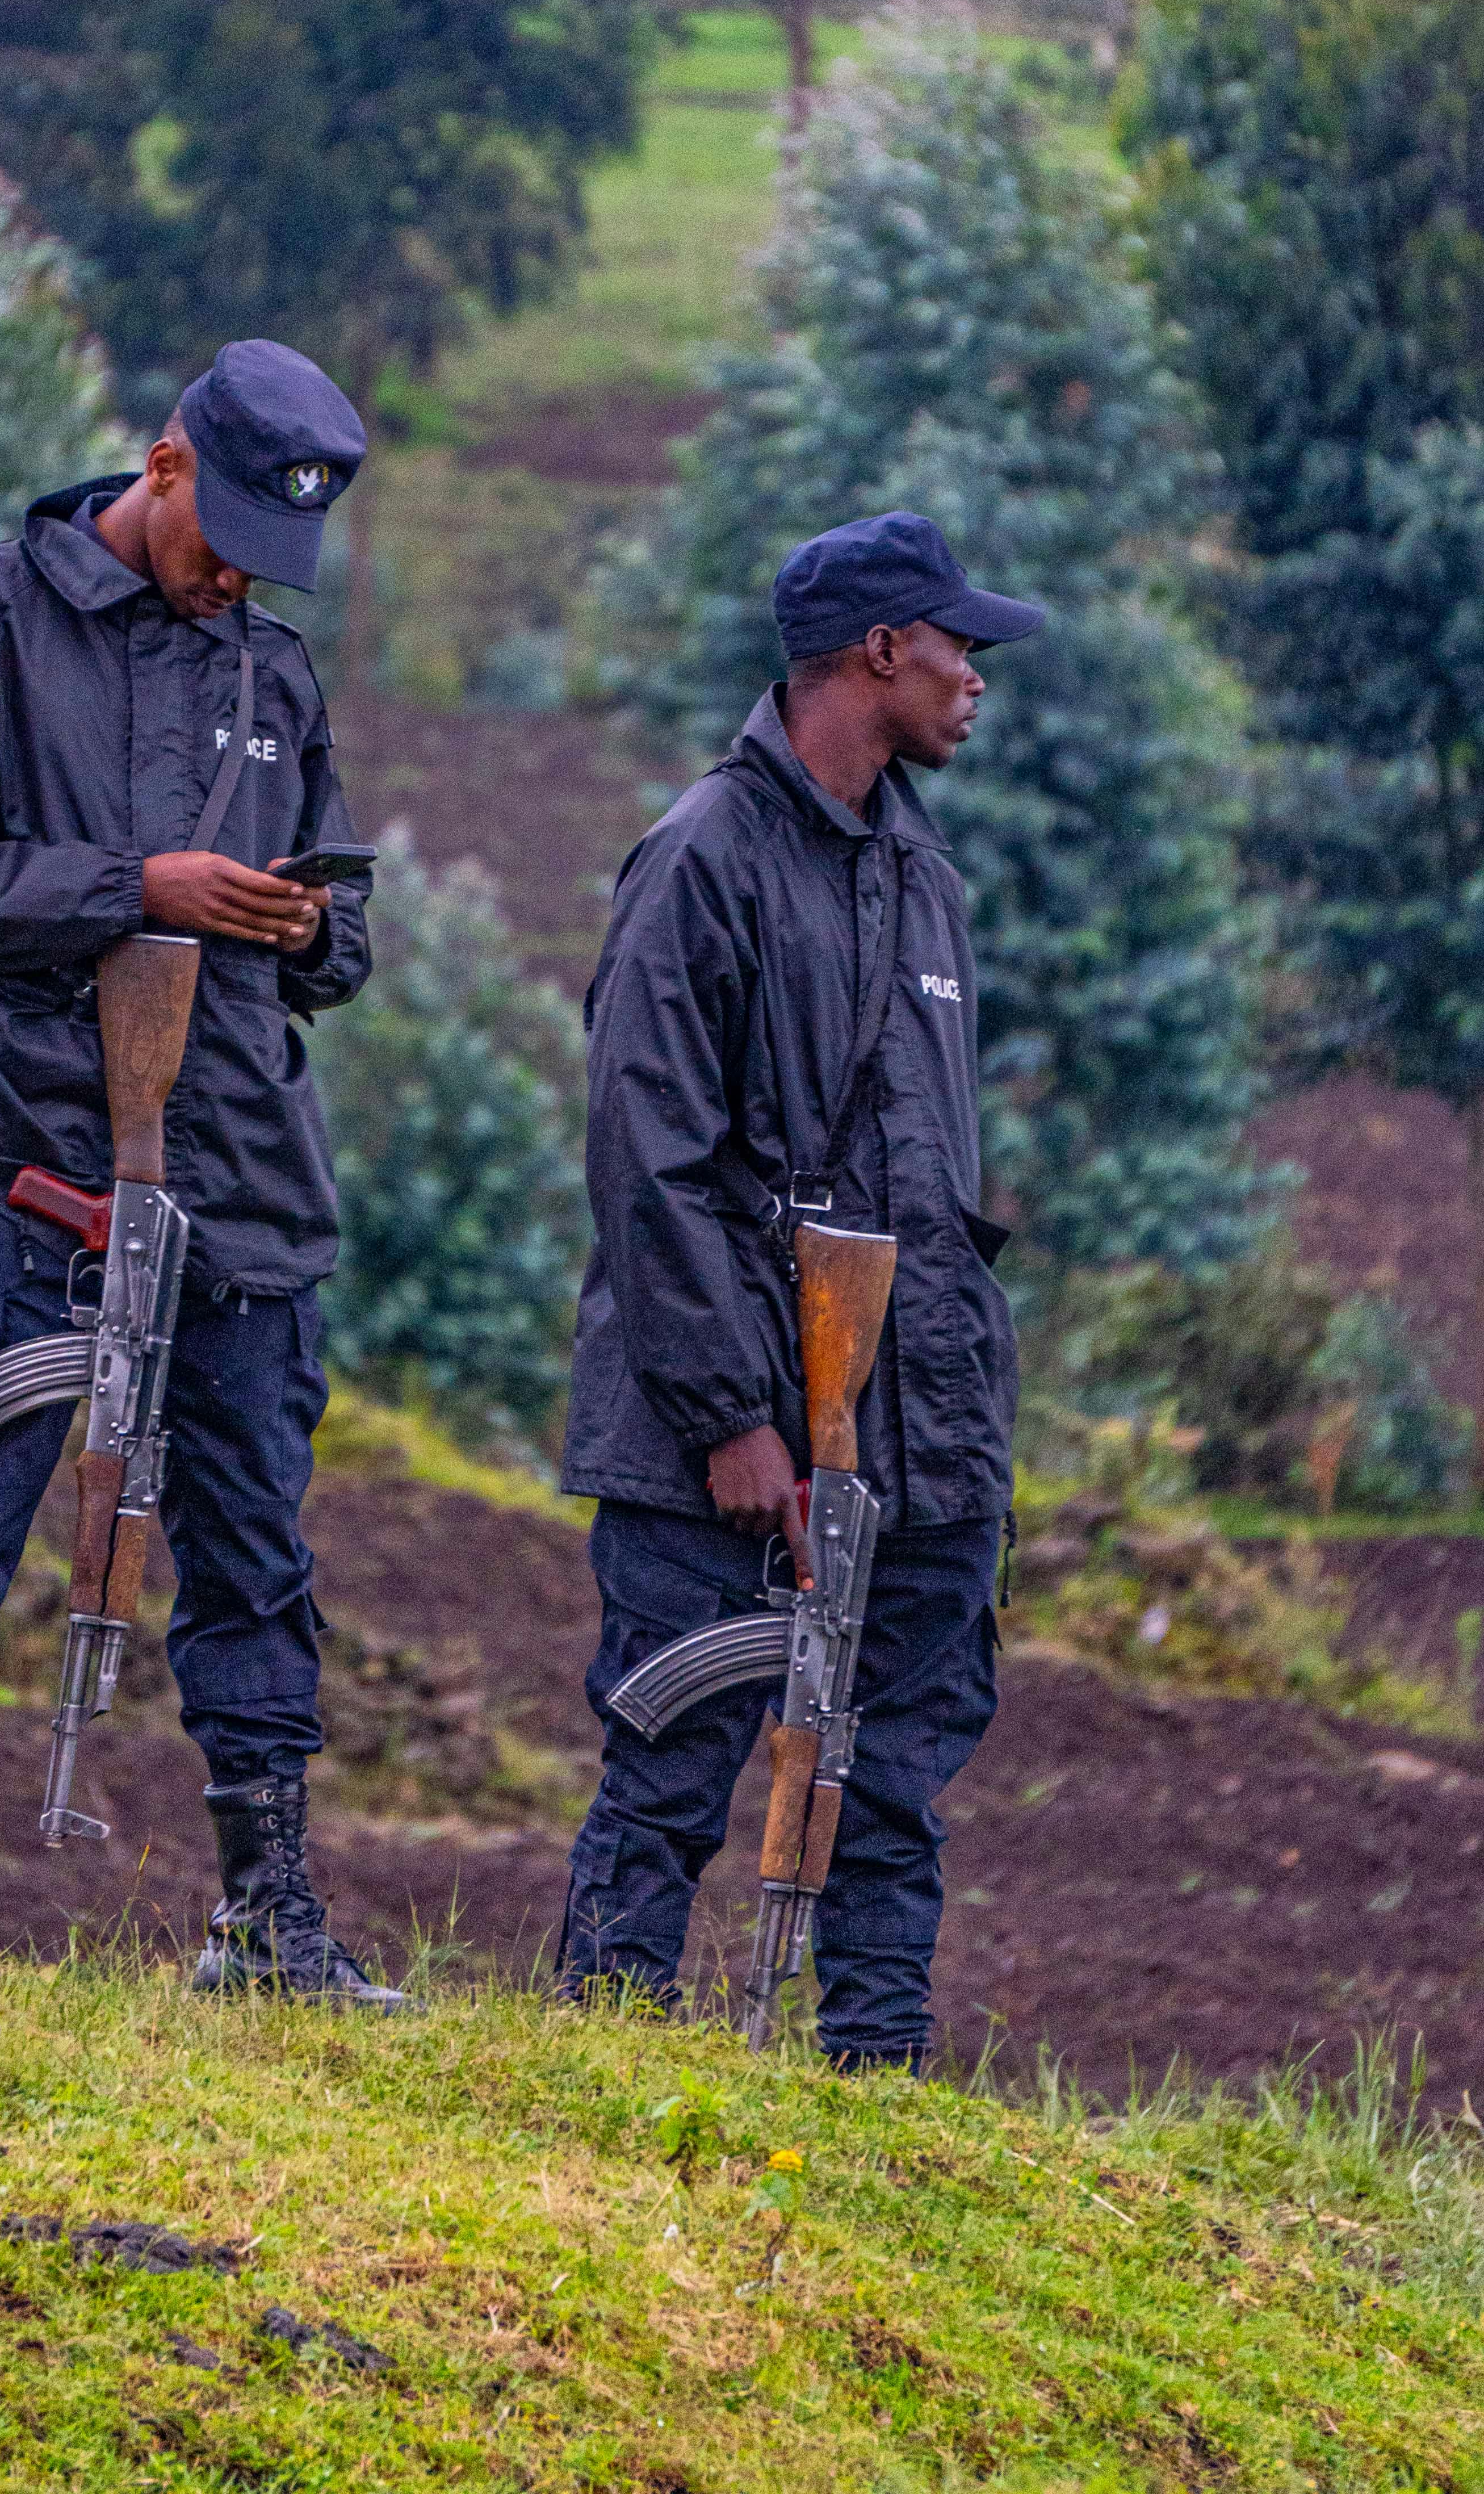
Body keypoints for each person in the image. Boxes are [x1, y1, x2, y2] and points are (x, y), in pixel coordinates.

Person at [0, 338, 397, 2003]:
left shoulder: (274, 676)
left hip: (237, 1178)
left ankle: (271, 1920)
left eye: (269, 561)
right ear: (160, 469)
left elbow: (341, 936)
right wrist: (133, 886)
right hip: (14, 1160)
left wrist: (301, 926)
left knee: (256, 1554)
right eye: (220, 533)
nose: (236, 578)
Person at [557, 510, 1042, 2071]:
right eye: (957, 645)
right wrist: (728, 1419)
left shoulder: (923, 868)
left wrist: (959, 1450)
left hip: (918, 1430)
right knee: (670, 1766)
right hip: (725, 1431)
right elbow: (650, 1163)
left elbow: (931, 1187)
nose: (978, 676)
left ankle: (878, 2097)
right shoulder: (700, 860)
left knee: (892, 1781)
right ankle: (599, 2082)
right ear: (880, 651)